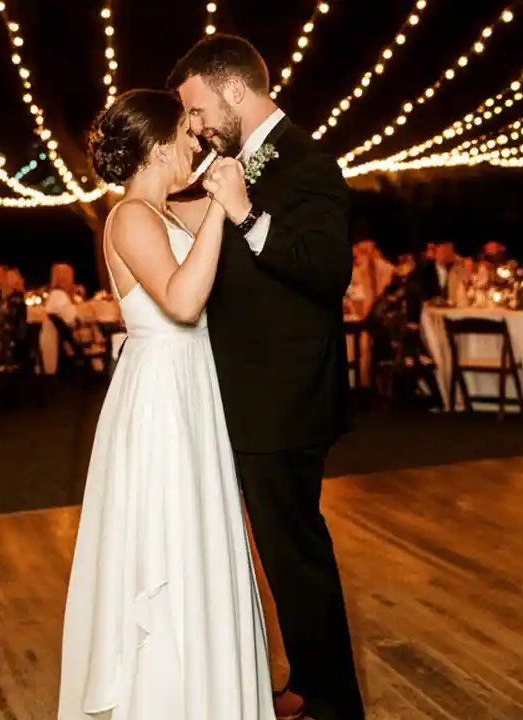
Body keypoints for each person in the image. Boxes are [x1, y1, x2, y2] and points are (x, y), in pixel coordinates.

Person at [59, 89, 273, 719]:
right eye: (185, 130)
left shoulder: (167, 213)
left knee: (201, 534)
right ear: (155, 144)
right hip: (159, 393)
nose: (195, 141)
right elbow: (181, 303)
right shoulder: (129, 217)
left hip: (192, 384)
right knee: (167, 538)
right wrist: (217, 209)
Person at [171, 34, 360, 720]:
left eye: (196, 107)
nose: (194, 124)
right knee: (285, 557)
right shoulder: (244, 160)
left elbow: (325, 270)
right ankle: (312, 684)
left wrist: (247, 212)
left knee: (296, 556)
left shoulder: (309, 161)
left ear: (235, 90)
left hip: (285, 399)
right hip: (254, 396)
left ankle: (332, 703)